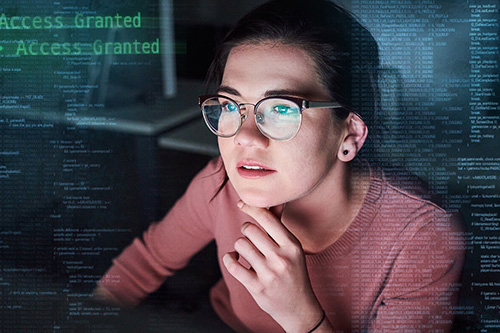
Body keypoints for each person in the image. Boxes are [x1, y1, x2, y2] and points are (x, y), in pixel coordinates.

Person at [94, 0, 465, 331]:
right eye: (229, 106)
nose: (246, 137)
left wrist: (301, 316)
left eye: (282, 109)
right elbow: (143, 263)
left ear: (349, 134)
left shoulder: (423, 237)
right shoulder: (218, 183)